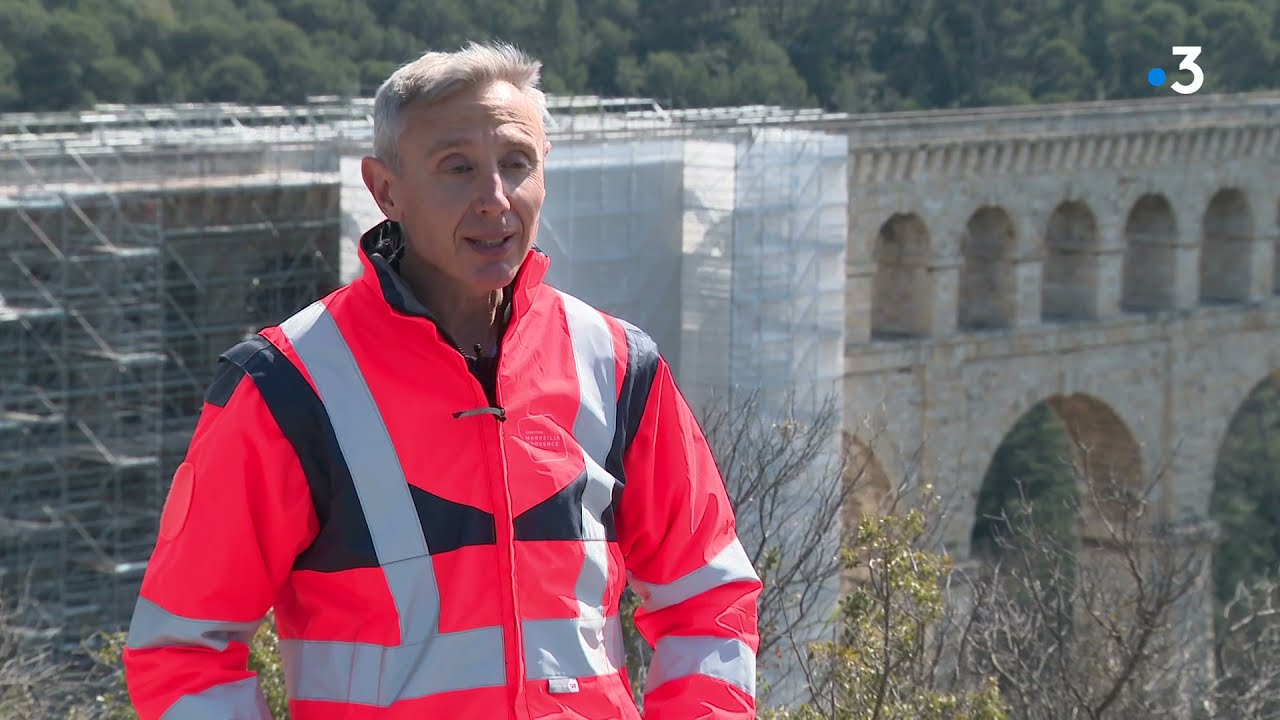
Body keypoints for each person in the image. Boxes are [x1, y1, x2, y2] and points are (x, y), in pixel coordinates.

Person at [122, 41, 762, 719]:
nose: (496, 198)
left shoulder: (615, 362)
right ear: (385, 189)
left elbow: (708, 600)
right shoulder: (289, 385)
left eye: (517, 164)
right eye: (457, 169)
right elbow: (183, 649)